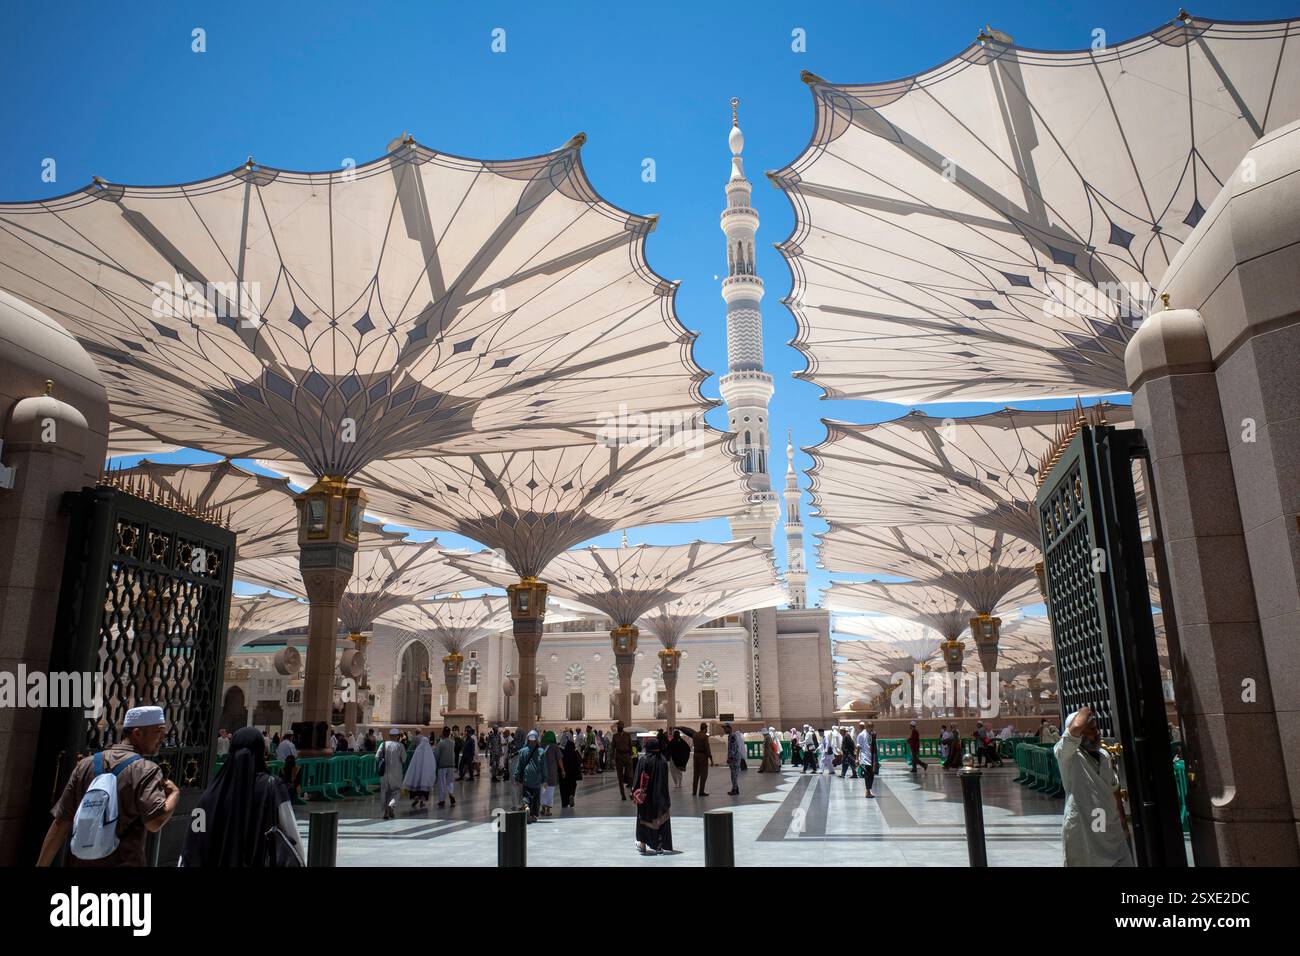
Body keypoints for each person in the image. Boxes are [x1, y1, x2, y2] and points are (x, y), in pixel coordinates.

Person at [38, 705, 180, 867]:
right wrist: (174, 794)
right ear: (137, 733)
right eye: (158, 732)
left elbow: (61, 822)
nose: (163, 738)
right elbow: (154, 822)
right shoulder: (146, 770)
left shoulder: (85, 765)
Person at [180, 726, 304, 866]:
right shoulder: (272, 787)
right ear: (260, 753)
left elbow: (193, 840)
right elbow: (292, 834)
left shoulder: (210, 794)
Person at [1056, 707, 1134, 867]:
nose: (1097, 732)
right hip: (1083, 825)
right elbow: (1075, 728)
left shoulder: (1104, 755)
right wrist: (1085, 710)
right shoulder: (1067, 755)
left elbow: (1114, 790)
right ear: (1080, 734)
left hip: (1107, 823)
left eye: (1096, 727)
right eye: (1091, 729)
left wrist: (1123, 823)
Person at [632, 736, 673, 855]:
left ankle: (642, 843)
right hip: (661, 798)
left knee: (644, 821)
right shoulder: (663, 761)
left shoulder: (644, 760)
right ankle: (659, 845)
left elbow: (637, 778)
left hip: (647, 798)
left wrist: (633, 792)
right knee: (660, 821)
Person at [514, 730, 546, 823]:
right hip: (537, 777)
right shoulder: (541, 751)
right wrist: (545, 779)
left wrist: (516, 776)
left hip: (526, 777)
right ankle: (533, 816)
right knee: (536, 797)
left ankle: (526, 806)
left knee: (526, 794)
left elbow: (519, 766)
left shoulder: (523, 751)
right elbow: (544, 767)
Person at [403, 732, 437, 811]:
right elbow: (432, 763)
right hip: (425, 777)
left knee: (416, 788)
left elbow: (413, 763)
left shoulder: (418, 750)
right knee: (423, 789)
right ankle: (422, 801)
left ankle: (416, 798)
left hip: (416, 775)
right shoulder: (429, 751)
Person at [379, 727, 405, 820]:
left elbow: (376, 756)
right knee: (396, 792)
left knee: (385, 793)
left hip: (384, 774)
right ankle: (391, 806)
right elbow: (404, 759)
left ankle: (386, 812)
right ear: (397, 736)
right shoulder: (400, 746)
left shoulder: (383, 744)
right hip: (396, 773)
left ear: (390, 736)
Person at [678, 722, 712, 796]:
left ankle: (694, 791)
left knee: (696, 774)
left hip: (696, 755)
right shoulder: (705, 736)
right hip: (703, 756)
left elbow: (687, 730)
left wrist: (679, 727)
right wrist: (711, 759)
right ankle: (701, 791)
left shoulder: (695, 735)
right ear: (705, 728)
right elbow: (707, 748)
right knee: (703, 774)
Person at [435, 725, 457, 808]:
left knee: (442, 783)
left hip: (442, 765)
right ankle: (451, 794)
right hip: (451, 765)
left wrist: (436, 763)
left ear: (443, 733)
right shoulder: (452, 743)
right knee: (450, 781)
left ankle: (442, 800)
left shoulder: (440, 743)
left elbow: (437, 755)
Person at [539, 730, 560, 816]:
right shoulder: (555, 747)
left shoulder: (540, 746)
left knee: (543, 790)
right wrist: (562, 770)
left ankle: (543, 808)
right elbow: (559, 759)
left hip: (542, 772)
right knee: (550, 790)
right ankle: (548, 810)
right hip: (552, 772)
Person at [559, 732, 582, 808]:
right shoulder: (573, 747)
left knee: (563, 786)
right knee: (572, 784)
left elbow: (559, 759)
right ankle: (571, 794)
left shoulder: (560, 748)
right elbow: (577, 759)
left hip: (563, 770)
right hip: (572, 770)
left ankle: (565, 803)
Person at [612, 721, 634, 800]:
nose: (619, 727)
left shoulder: (627, 735)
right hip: (619, 756)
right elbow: (612, 748)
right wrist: (612, 759)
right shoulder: (615, 736)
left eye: (620, 725)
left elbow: (631, 745)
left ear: (623, 726)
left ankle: (632, 792)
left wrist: (631, 756)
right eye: (618, 726)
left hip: (627, 756)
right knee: (620, 777)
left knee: (630, 776)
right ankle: (623, 794)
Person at [856, 722, 878, 798]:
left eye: (872, 727)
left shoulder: (872, 734)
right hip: (865, 757)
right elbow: (858, 747)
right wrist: (857, 758)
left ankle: (869, 790)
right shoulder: (861, 735)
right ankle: (867, 791)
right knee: (867, 775)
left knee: (871, 775)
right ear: (866, 727)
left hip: (871, 757)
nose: (871, 728)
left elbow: (874, 745)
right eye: (869, 727)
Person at [724, 723, 743, 795]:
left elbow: (733, 748)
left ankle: (735, 789)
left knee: (734, 774)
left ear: (729, 728)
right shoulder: (731, 736)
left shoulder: (732, 736)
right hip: (734, 757)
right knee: (734, 774)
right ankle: (735, 788)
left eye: (725, 728)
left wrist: (730, 757)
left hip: (734, 758)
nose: (724, 730)